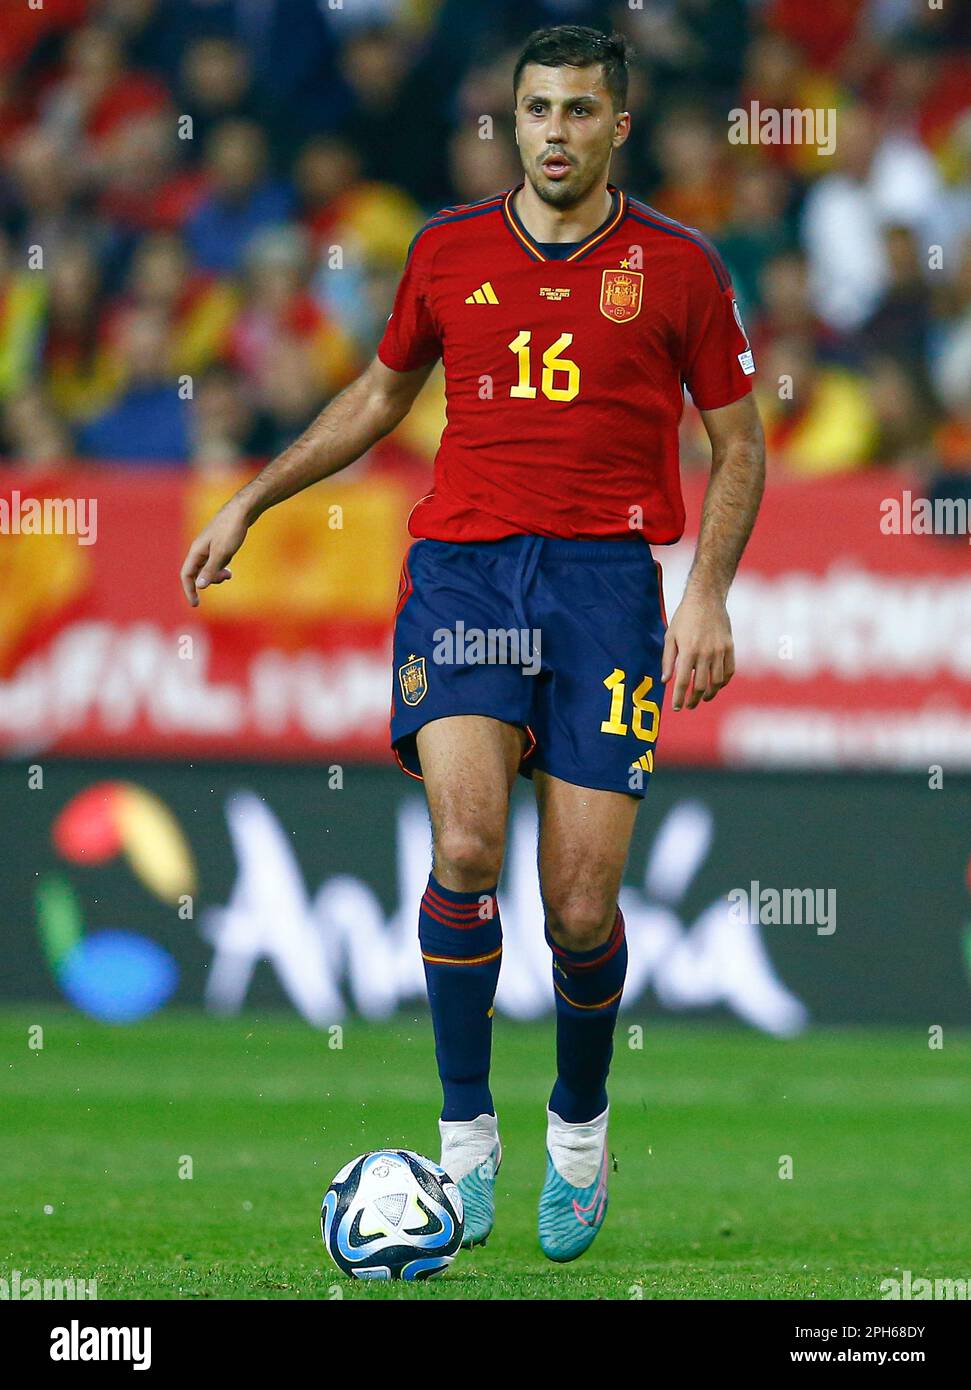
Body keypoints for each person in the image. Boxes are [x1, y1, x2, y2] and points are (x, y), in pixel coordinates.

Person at [179, 24, 765, 1263]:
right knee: (463, 842)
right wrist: (249, 496)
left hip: (605, 583)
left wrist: (706, 593)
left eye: (579, 111)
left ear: (619, 121)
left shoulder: (679, 268)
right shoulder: (446, 250)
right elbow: (381, 395)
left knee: (583, 904)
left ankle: (579, 1136)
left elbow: (740, 440)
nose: (555, 131)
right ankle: (462, 1141)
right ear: (515, 119)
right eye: (536, 109)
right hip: (465, 573)